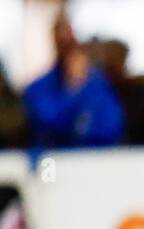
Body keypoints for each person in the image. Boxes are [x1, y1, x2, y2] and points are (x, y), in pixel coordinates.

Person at [22, 13, 124, 148]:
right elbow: (48, 121)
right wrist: (72, 89)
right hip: (52, 159)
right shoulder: (39, 87)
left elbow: (111, 126)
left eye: (68, 37)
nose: (64, 42)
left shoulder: (96, 85)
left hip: (96, 160)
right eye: (60, 37)